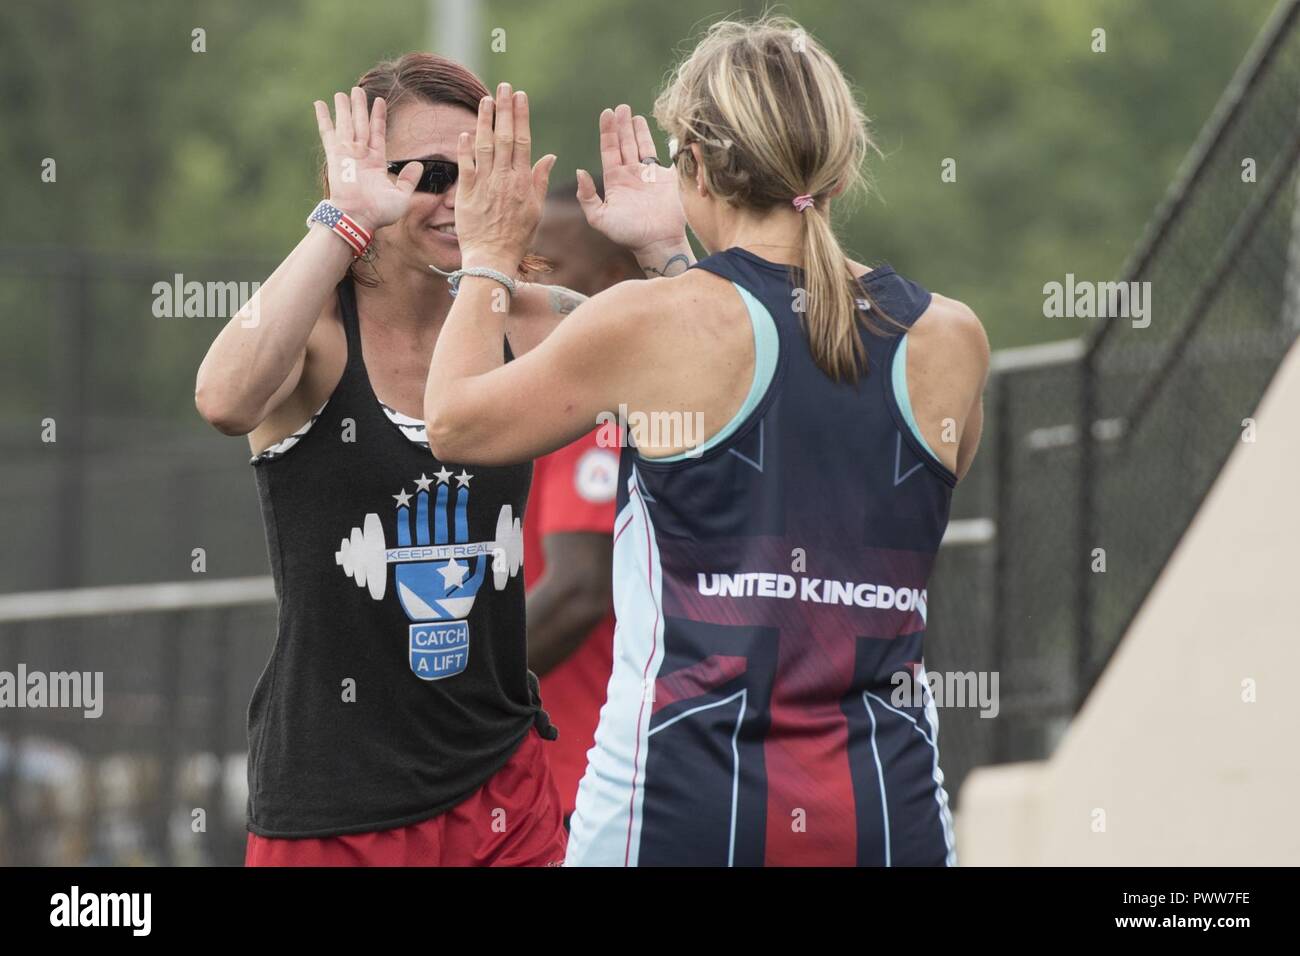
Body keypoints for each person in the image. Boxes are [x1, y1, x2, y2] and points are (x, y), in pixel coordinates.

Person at [422, 16, 990, 867]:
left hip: (683, 803)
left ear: (692, 167)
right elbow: (797, 398)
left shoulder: (651, 324)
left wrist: (489, 255)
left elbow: (455, 421)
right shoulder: (953, 338)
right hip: (888, 809)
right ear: (839, 163)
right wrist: (671, 256)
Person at [194, 53, 583, 866]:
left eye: (476, 172)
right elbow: (225, 399)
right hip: (334, 803)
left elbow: (693, 354)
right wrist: (344, 218)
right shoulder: (318, 335)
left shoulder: (527, 322)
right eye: (430, 174)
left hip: (504, 790)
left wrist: (664, 254)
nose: (453, 199)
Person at [524, 184, 641, 823]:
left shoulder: (592, 406)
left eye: (546, 269)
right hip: (545, 777)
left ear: (609, 281)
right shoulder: (530, 395)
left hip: (582, 779)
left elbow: (577, 591)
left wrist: (441, 696)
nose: (523, 286)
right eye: (518, 267)